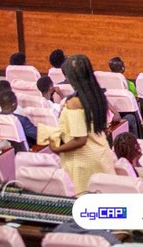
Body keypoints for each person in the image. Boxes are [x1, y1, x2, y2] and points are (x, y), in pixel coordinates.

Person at [45, 54, 115, 193]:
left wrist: (56, 148)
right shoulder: (96, 94)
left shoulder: (74, 103)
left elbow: (80, 139)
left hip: (84, 163)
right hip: (101, 155)